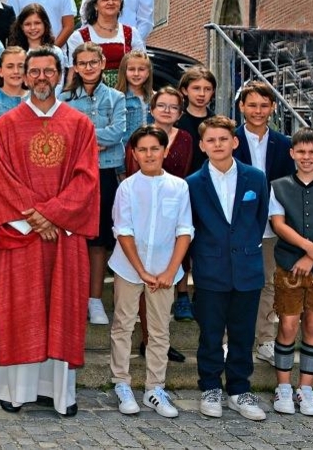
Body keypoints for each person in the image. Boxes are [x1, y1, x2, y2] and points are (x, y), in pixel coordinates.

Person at [0, 46, 99, 417]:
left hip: (62, 236)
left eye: (50, 71)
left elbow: (87, 179)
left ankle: (61, 394)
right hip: (22, 236)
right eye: (36, 71)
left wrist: (52, 216)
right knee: (21, 310)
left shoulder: (80, 124)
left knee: (62, 309)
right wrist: (38, 219)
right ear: (24, 76)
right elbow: (0, 179)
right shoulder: (7, 124)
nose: (42, 78)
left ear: (62, 75)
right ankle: (17, 392)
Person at [188, 115, 269, 421]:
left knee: (242, 333)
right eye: (211, 140)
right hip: (210, 269)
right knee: (210, 333)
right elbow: (192, 226)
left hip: (247, 268)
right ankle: (210, 386)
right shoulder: (193, 184)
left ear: (235, 142)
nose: (218, 144)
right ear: (202, 145)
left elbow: (258, 219)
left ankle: (239, 389)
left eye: (223, 139)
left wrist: (245, 249)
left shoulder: (255, 178)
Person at [109, 126, 193, 418]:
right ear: (134, 153)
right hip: (129, 268)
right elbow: (123, 230)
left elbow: (184, 230)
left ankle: (154, 388)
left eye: (154, 148)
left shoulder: (179, 187)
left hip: (165, 271)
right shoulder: (127, 188)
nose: (149, 154)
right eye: (142, 149)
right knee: (123, 324)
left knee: (159, 329)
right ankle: (121, 382)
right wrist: (141, 270)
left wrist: (171, 270)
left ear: (165, 150)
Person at [125, 86, 193, 365]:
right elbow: (132, 171)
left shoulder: (186, 138)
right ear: (152, 109)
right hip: (141, 212)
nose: (167, 111)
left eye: (173, 106)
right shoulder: (142, 137)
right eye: (161, 105)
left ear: (180, 112)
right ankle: (147, 340)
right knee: (144, 280)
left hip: (174, 210)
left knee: (167, 279)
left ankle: (161, 338)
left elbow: (186, 172)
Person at [60, 43, 127, 326]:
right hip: (74, 175)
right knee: (73, 237)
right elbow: (63, 133)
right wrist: (91, 140)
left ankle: (95, 299)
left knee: (99, 240)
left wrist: (83, 136)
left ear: (102, 64)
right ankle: (73, 297)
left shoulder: (116, 97)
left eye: (93, 62)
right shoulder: (64, 100)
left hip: (107, 172)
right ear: (75, 66)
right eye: (82, 63)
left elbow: (117, 131)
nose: (88, 67)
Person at [233, 82, 295, 366]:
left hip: (272, 224)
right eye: (252, 105)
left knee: (268, 282)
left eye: (263, 105)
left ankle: (265, 339)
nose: (257, 111)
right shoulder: (230, 140)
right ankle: (231, 341)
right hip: (236, 225)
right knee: (233, 283)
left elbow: (288, 186)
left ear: (272, 108)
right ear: (241, 107)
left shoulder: (284, 144)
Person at [268, 128, 313, 416]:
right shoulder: (278, 186)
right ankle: (284, 387)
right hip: (289, 265)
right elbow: (278, 224)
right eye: (301, 152)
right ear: (292, 153)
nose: (307, 157)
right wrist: (306, 250)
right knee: (288, 324)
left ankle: (306, 388)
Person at [172, 66, 217, 322]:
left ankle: (203, 292)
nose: (202, 94)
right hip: (181, 190)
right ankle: (181, 294)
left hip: (210, 190)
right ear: (184, 91)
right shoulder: (177, 123)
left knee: (207, 243)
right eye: (196, 88)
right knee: (182, 243)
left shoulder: (217, 122)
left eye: (207, 89)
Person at [65, 0, 146, 87]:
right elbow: (73, 73)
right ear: (95, 5)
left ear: (120, 3)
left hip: (127, 95)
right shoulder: (78, 37)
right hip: (92, 96)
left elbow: (143, 66)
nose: (110, 2)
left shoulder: (131, 33)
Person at [115, 50, 154, 143]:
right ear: (124, 71)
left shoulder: (154, 98)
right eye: (131, 69)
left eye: (141, 69)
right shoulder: (116, 98)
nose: (136, 73)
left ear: (148, 73)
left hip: (150, 147)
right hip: (126, 148)